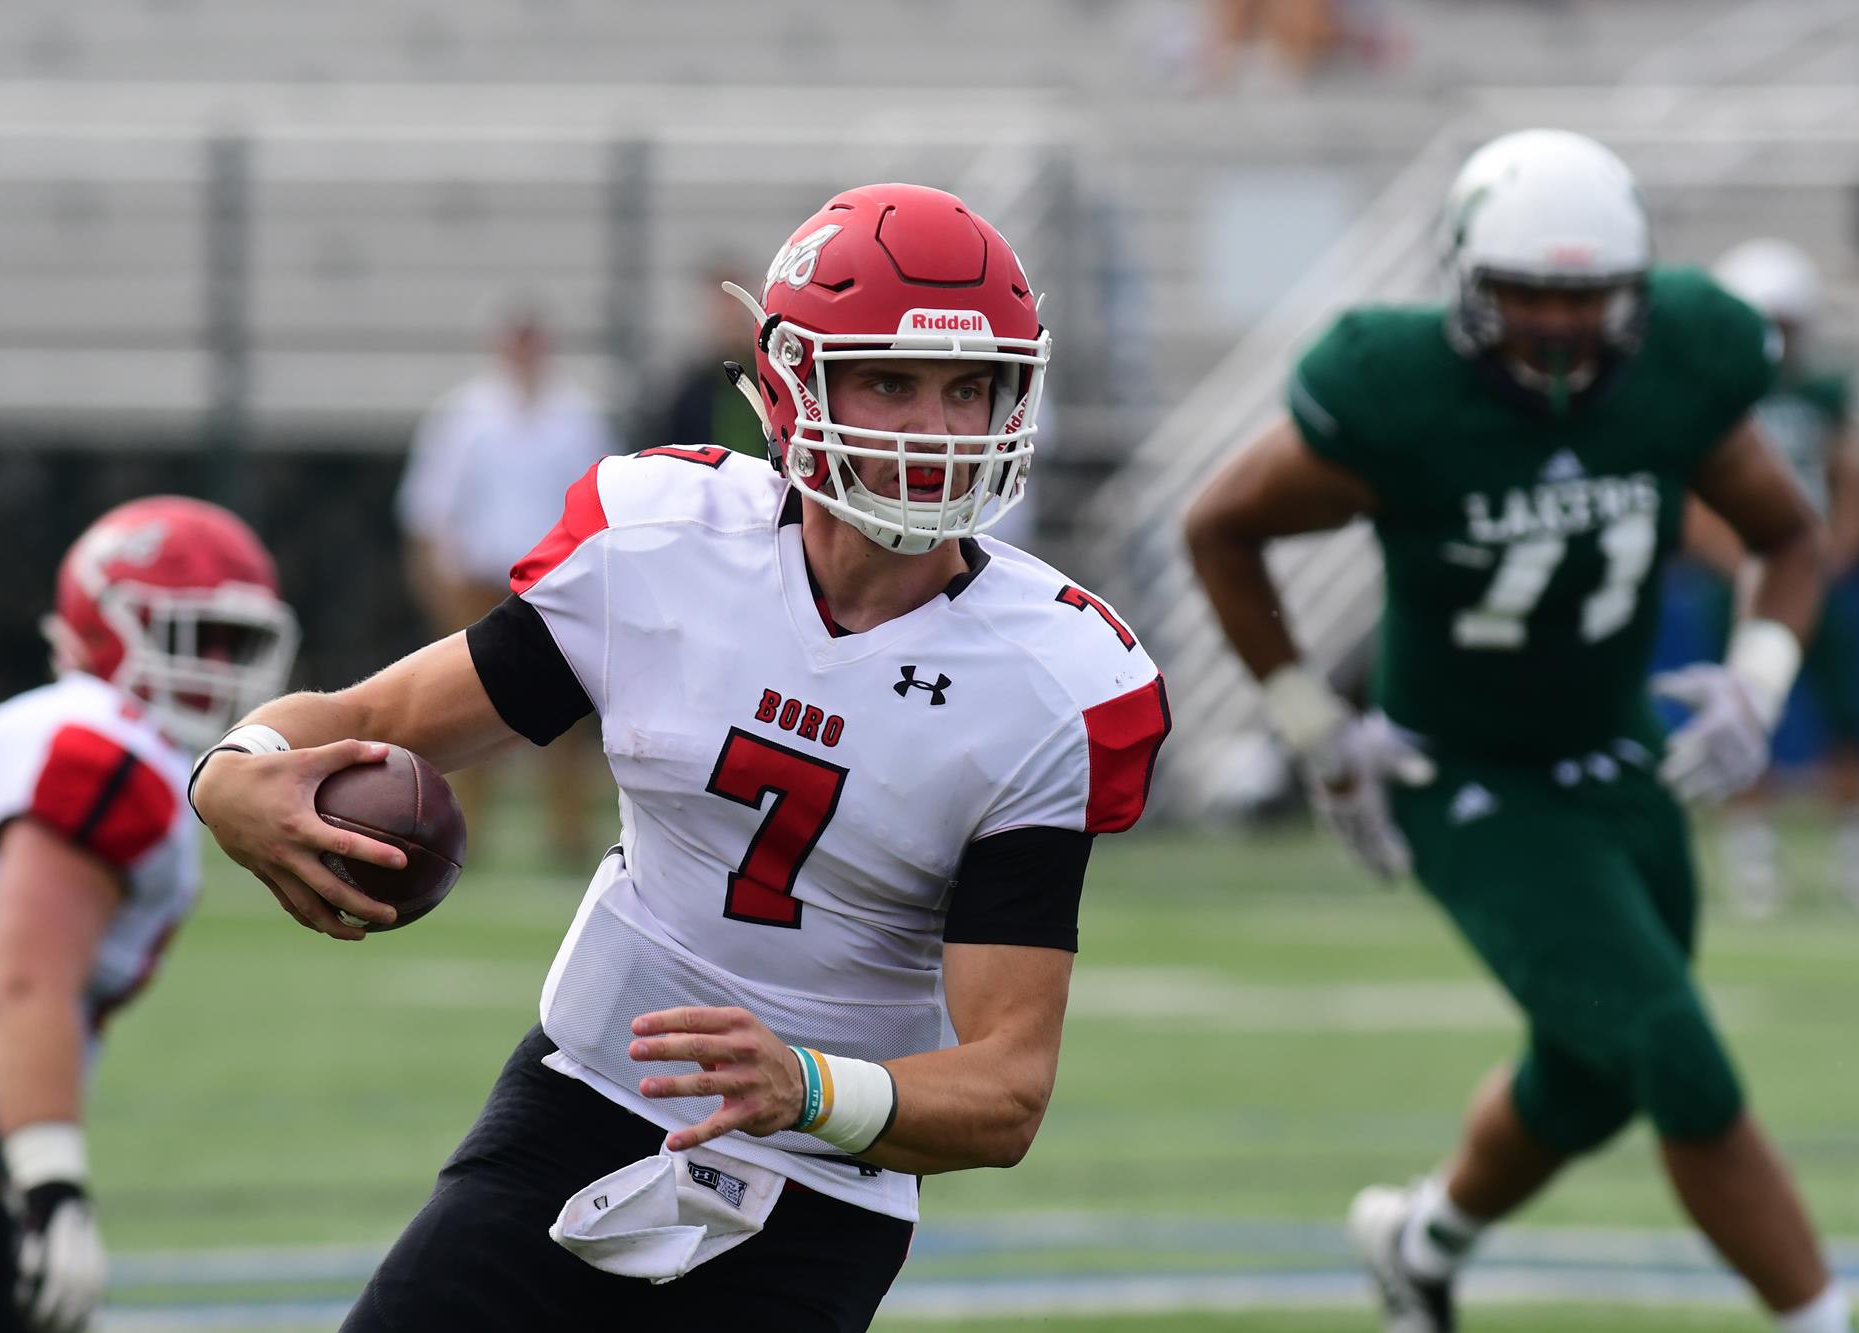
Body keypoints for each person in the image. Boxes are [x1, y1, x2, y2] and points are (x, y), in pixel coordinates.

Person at [188, 183, 1169, 1333]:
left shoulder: (1050, 684)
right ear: (794, 383)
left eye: (969, 388)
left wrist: (803, 1085)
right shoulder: (660, 546)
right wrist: (233, 767)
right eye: (889, 381)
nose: (936, 427)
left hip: (826, 1177)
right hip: (580, 1100)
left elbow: (1006, 1089)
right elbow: (373, 714)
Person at [1185, 130, 1854, 1333]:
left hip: (1618, 763)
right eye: (1526, 293)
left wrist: (1757, 676)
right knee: (1674, 1056)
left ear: (1634, 293)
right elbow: (1219, 528)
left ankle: (1418, 1238)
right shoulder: (1396, 390)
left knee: (1593, 1075)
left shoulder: (1682, 361)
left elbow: (1786, 534)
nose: (1555, 324)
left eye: (1584, 294)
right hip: (1464, 775)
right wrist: (1316, 728)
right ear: (1464, 285)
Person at [0, 497, 298, 1333]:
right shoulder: (107, 752)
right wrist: (50, 1180)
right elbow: (28, 976)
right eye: (193, 635)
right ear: (110, 625)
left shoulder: (70, 727)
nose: (217, 665)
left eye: (235, 643)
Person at [395, 298, 620, 863]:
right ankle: (463, 831)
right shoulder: (464, 415)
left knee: (564, 711)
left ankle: (567, 834)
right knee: (464, 712)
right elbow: (429, 512)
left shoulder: (577, 416)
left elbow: (603, 503)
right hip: (478, 577)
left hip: (554, 580)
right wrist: (442, 590)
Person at [1698, 238, 1859, 915]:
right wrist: (1737, 559)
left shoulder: (1822, 392)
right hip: (1736, 577)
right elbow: (1688, 494)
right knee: (1735, 716)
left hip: (1821, 574)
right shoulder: (1711, 395)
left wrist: (1830, 553)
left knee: (1848, 719)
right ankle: (1752, 859)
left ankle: (1855, 851)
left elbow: (1852, 476)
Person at [652, 261, 771, 461]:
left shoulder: (771, 380)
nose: (728, 315)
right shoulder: (690, 394)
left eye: (733, 303)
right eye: (720, 305)